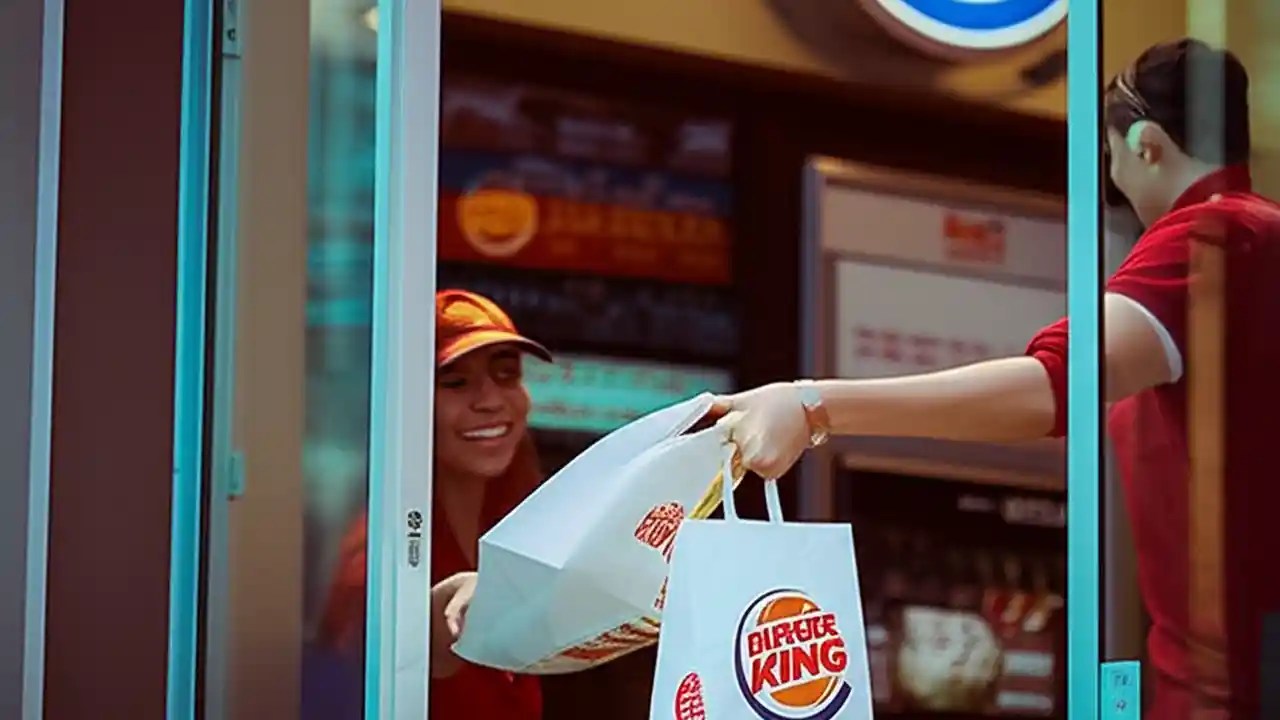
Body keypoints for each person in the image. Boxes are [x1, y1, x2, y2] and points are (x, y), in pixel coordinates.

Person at [715, 39, 1278, 720]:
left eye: (1112, 160)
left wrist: (813, 404)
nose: (1117, 181)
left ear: (1147, 143)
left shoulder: (1215, 237)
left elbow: (1053, 385)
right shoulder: (1254, 239)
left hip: (1230, 690)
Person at [319, 289, 552, 719]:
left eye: (506, 375)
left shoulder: (523, 520)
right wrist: (445, 613)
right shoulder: (376, 556)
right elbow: (404, 643)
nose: (490, 400)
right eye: (455, 382)